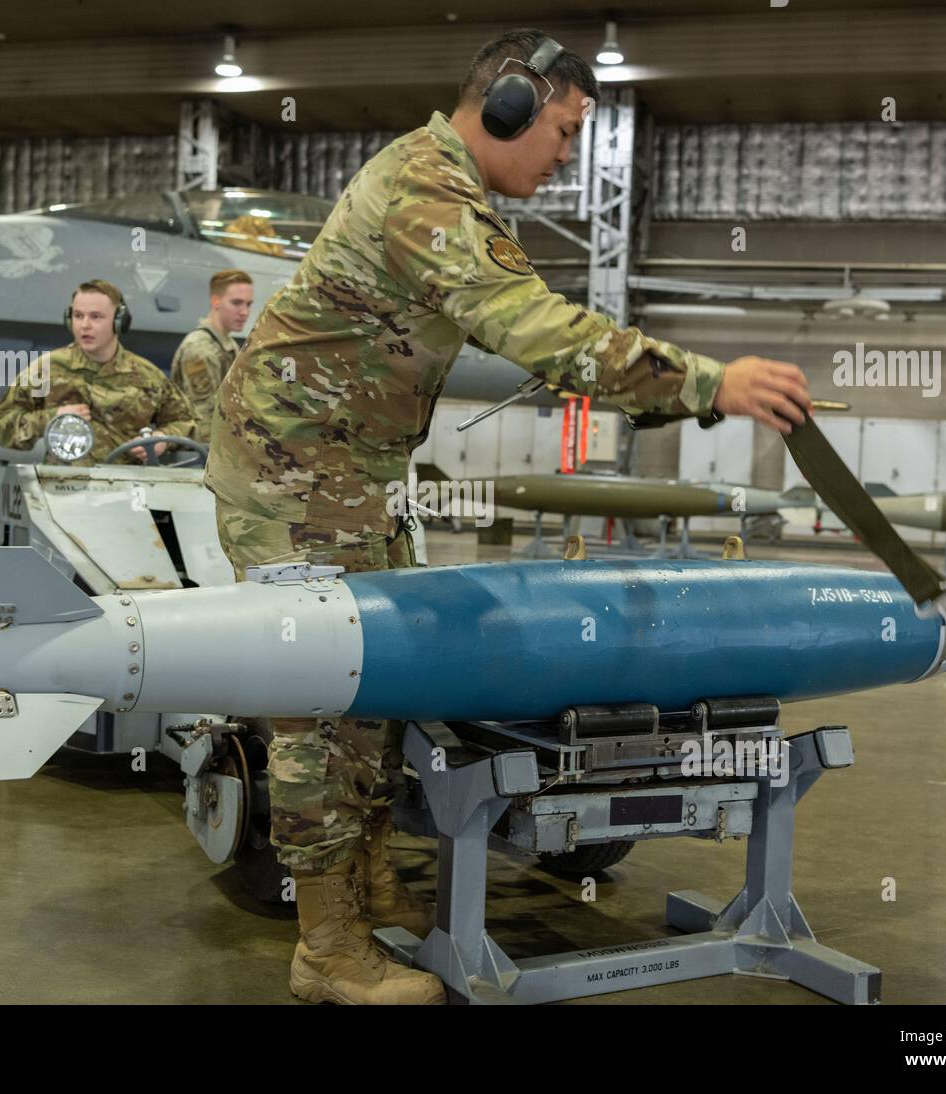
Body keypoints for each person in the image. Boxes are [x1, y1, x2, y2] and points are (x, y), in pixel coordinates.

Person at [206, 28, 813, 1005]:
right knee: (321, 705)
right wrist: (711, 382)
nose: (567, 156)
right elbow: (537, 331)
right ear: (510, 107)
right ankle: (324, 945)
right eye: (565, 132)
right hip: (291, 466)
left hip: (345, 465)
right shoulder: (425, 190)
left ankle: (364, 884)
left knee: (379, 684)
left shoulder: (450, 189)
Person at [0, 279, 195, 465]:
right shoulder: (46, 369)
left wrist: (162, 439)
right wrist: (51, 419)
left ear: (119, 321)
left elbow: (188, 423)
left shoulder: (147, 376)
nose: (85, 325)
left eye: (96, 317)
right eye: (78, 316)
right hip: (62, 492)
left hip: (126, 494)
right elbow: (2, 426)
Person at [169, 269, 253, 443]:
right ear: (216, 301)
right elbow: (204, 418)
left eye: (248, 304)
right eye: (237, 303)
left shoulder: (227, 344)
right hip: (201, 451)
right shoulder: (200, 349)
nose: (244, 312)